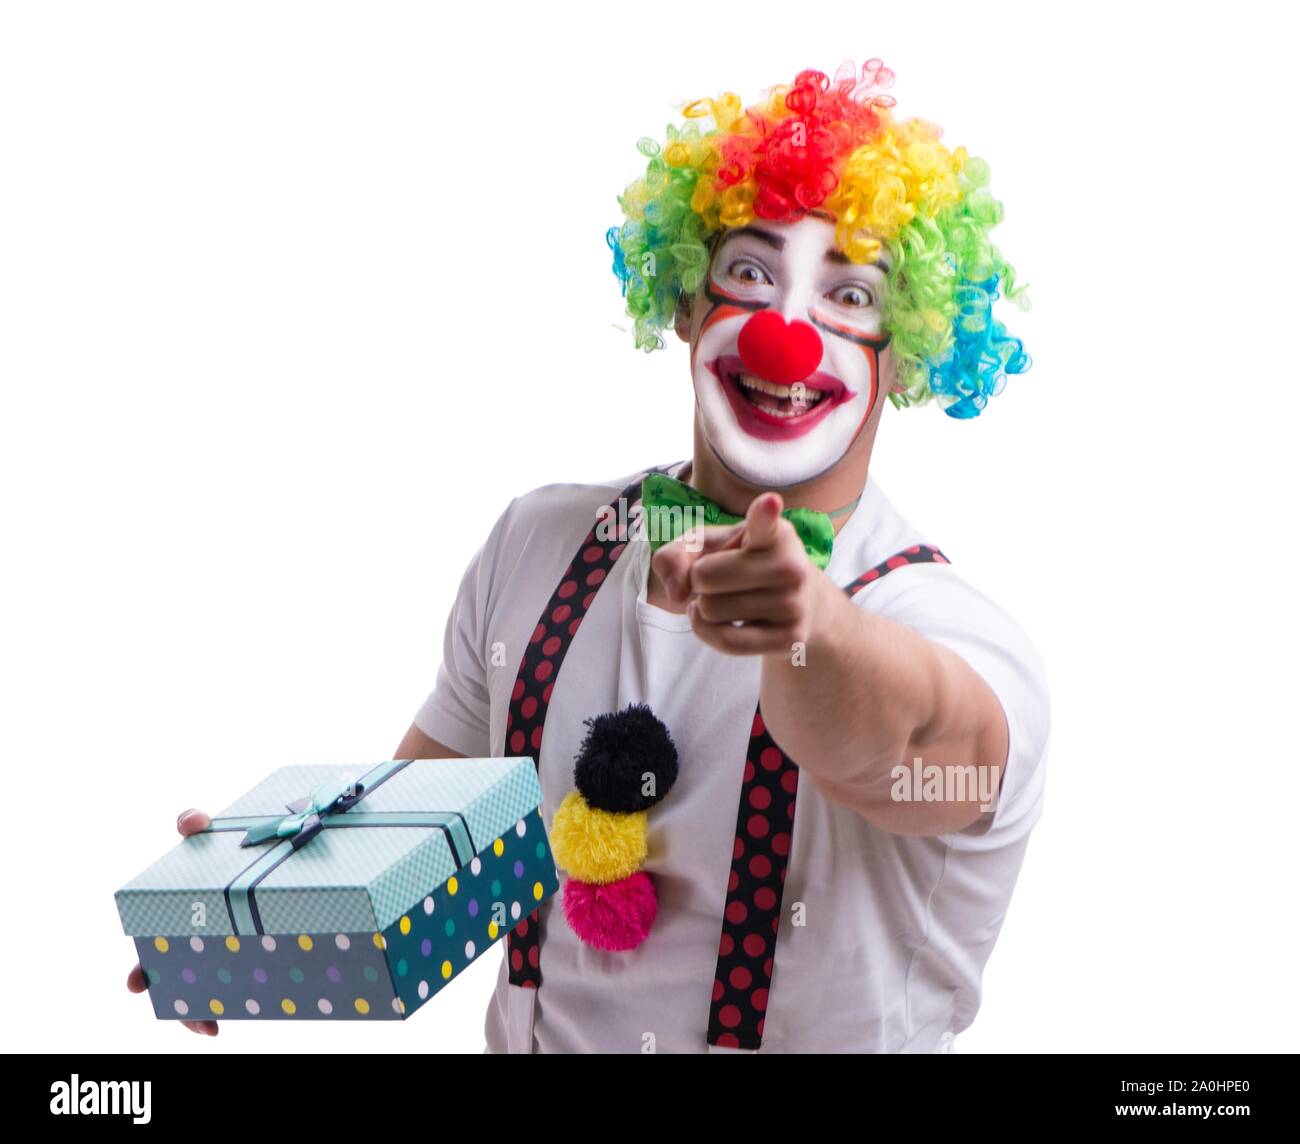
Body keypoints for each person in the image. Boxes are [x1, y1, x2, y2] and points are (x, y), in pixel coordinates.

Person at [129, 58, 1050, 1053]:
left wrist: (810, 633)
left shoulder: (943, 625)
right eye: (749, 272)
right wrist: (244, 917)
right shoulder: (539, 540)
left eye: (851, 297)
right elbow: (429, 852)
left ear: (903, 353)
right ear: (687, 304)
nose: (786, 336)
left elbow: (919, 747)